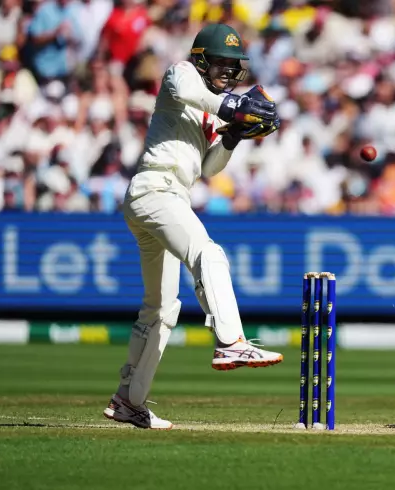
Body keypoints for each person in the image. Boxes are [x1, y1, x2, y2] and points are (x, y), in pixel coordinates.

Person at [102, 23, 283, 430]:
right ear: (201, 60)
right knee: (208, 253)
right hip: (156, 188)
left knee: (161, 309)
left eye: (232, 68)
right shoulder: (180, 73)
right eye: (220, 64)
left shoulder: (212, 108)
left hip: (166, 196)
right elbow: (193, 93)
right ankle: (231, 341)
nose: (226, 73)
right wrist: (235, 110)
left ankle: (128, 401)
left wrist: (233, 137)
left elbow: (209, 167)